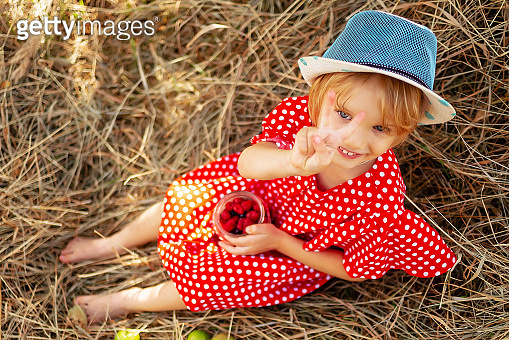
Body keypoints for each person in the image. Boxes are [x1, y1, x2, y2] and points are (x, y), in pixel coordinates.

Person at [60, 10, 458, 324]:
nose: (353, 139)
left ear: (402, 133)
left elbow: (352, 269)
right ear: (316, 97)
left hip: (289, 250)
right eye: (341, 113)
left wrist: (281, 243)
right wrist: (291, 162)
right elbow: (250, 165)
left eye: (379, 127)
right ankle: (110, 244)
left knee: (212, 283)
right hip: (262, 188)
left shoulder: (382, 195)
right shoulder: (297, 117)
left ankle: (126, 303)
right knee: (182, 198)